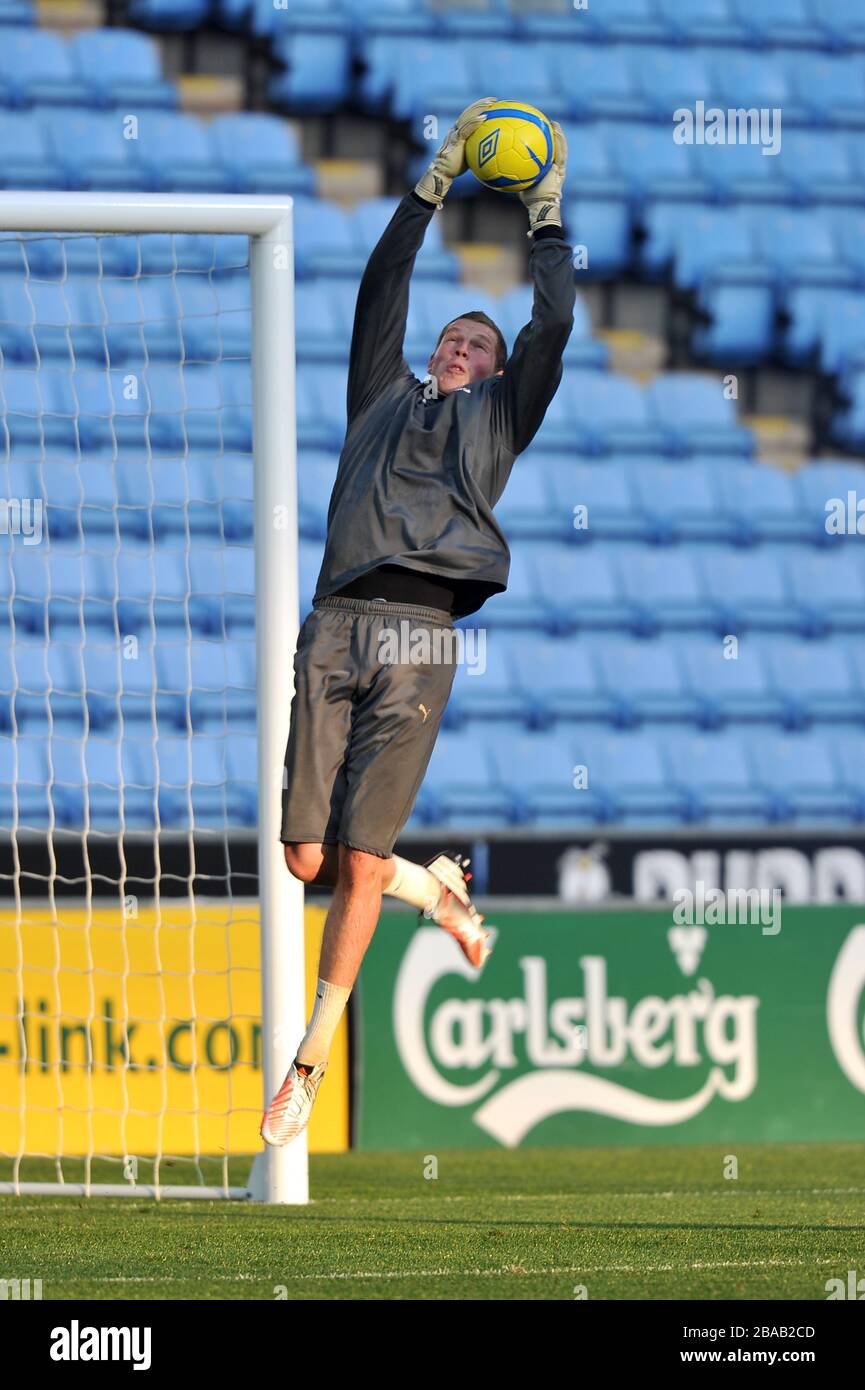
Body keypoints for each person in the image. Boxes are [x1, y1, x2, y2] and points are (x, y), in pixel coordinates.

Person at [261, 98, 575, 1147]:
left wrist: (544, 218)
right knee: (305, 856)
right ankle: (432, 889)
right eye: (451, 334)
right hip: (338, 620)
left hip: (421, 635)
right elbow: (381, 287)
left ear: (495, 371)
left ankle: (308, 1055)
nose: (457, 344)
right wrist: (430, 184)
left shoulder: (501, 419)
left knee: (353, 861)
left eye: (476, 341)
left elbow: (556, 324)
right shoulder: (379, 398)